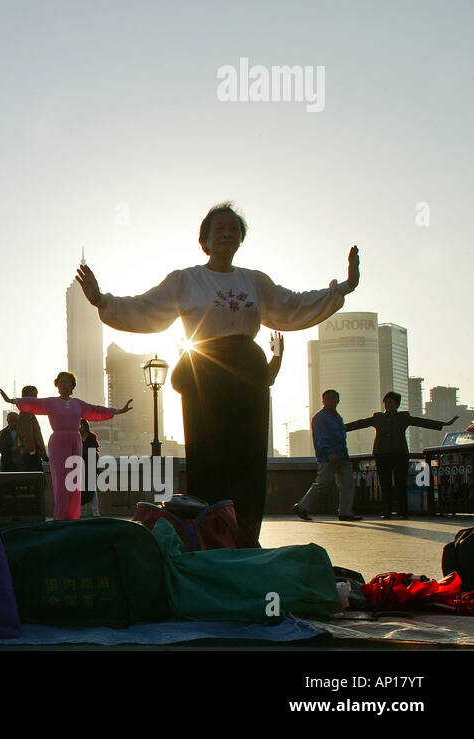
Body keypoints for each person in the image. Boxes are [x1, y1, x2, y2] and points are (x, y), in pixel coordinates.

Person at [77, 202, 359, 544]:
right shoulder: (186, 280)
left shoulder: (254, 281)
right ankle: (210, 534)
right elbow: (145, 307)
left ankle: (245, 535)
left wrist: (341, 289)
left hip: (248, 374)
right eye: (219, 228)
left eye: (234, 228)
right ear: (205, 240)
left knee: (249, 457)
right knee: (208, 455)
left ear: (241, 239)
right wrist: (103, 301)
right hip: (204, 373)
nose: (228, 232)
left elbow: (292, 304)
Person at [1, 373, 131, 520]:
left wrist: (118, 411)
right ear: (57, 385)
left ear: (72, 386)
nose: (63, 385)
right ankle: (60, 516)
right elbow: (33, 403)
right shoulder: (51, 403)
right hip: (58, 442)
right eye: (60, 382)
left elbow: (96, 410)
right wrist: (12, 400)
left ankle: (72, 515)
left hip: (75, 442)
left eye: (66, 382)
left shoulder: (78, 404)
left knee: (74, 481)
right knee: (61, 480)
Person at [344, 392, 458, 520]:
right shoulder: (378, 418)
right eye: (386, 402)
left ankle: (403, 512)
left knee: (400, 484)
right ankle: (386, 512)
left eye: (391, 402)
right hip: (382, 454)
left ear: (396, 404)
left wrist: (444, 424)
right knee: (385, 484)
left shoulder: (403, 417)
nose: (388, 404)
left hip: (400, 454)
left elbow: (421, 421)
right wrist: (342, 428)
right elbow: (361, 423)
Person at [294, 390, 360, 522]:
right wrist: (329, 452)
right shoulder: (320, 417)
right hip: (328, 457)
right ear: (323, 401)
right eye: (328, 398)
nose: (331, 401)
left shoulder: (337, 416)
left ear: (338, 400)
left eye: (334, 398)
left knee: (347, 484)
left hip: (342, 456)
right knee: (323, 483)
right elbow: (321, 438)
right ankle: (301, 507)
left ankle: (345, 512)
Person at [14, 385, 48, 472]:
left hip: (30, 454)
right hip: (31, 456)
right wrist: (33, 452)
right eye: (34, 396)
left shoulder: (27, 412)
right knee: (37, 481)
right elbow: (28, 434)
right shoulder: (26, 412)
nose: (36, 399)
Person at [79, 419, 101, 517]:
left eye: (82, 425)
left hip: (90, 466)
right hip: (80, 467)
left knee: (92, 490)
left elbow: (94, 453)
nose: (80, 427)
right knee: (81, 490)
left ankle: (96, 513)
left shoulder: (91, 437)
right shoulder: (77, 437)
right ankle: (82, 512)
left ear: (85, 426)